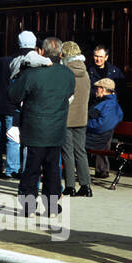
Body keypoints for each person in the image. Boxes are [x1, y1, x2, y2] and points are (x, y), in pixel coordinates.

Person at [8, 37, 74, 219]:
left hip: (34, 130)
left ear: (41, 52)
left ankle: (28, 207)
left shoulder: (31, 74)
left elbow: (13, 96)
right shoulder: (67, 74)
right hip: (56, 130)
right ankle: (52, 208)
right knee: (53, 169)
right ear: (60, 54)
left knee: (31, 169)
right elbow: (69, 94)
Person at [0, 32, 31, 178]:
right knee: (13, 138)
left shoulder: (2, 61)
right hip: (12, 106)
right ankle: (11, 170)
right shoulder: (25, 63)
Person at [61, 41, 92, 197]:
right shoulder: (86, 73)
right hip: (81, 117)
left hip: (66, 118)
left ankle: (70, 186)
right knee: (81, 151)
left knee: (67, 152)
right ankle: (86, 186)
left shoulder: (65, 72)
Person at [86, 78, 123, 182]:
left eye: (97, 88)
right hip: (97, 136)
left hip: (97, 138)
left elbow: (102, 125)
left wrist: (84, 125)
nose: (95, 91)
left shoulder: (109, 104)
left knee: (68, 141)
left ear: (102, 89)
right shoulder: (107, 102)